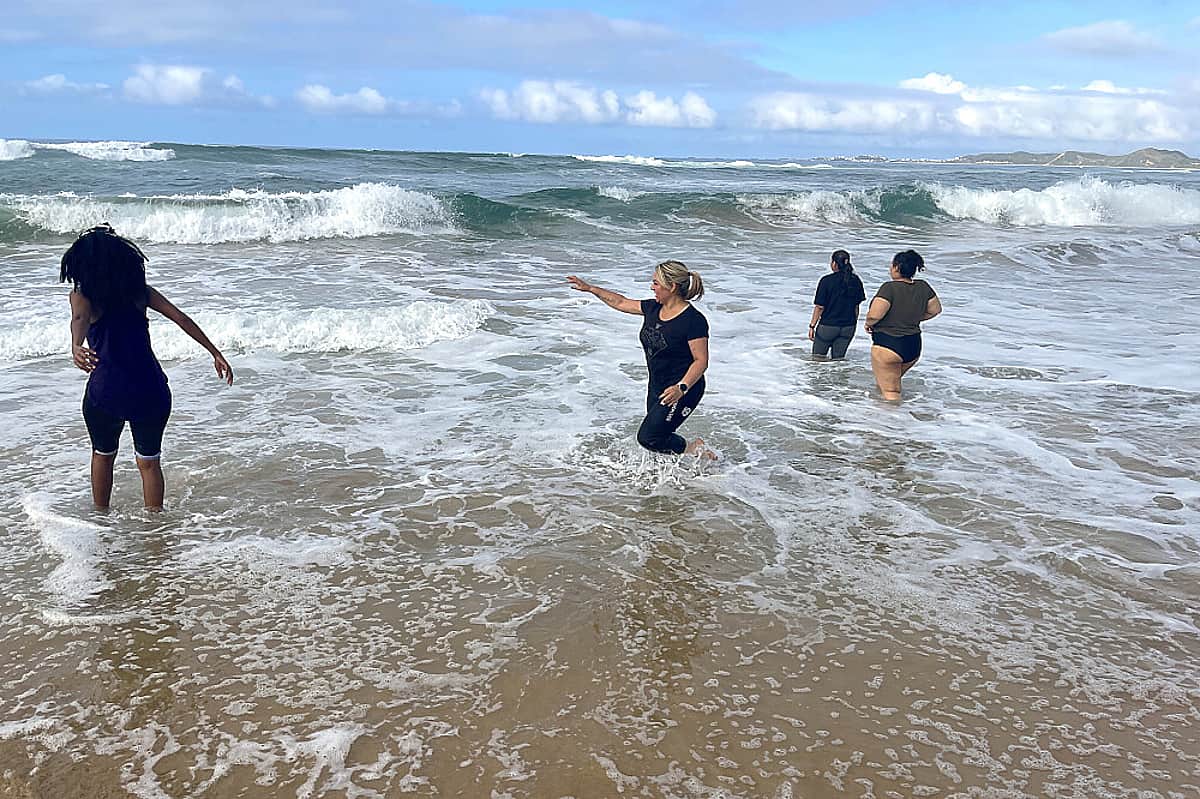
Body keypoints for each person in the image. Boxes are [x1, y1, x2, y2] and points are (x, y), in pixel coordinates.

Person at [61, 224, 233, 510]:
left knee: (103, 456)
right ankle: (155, 530)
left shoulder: (82, 297)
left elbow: (79, 319)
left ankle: (101, 518)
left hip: (105, 395)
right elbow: (181, 319)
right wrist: (215, 352)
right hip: (150, 391)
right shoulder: (140, 293)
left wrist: (76, 346)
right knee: (149, 464)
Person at [567, 260, 714, 458]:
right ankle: (671, 481)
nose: (652, 287)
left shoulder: (693, 320)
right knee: (657, 438)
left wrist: (682, 387)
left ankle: (694, 448)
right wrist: (591, 289)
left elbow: (701, 361)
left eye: (656, 283)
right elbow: (620, 302)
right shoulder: (653, 308)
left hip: (683, 388)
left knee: (649, 437)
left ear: (671, 286)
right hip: (657, 385)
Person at [864, 249, 942, 401]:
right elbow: (935, 310)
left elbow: (875, 314)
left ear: (897, 267)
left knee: (891, 391)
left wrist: (868, 323)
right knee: (887, 384)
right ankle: (886, 418)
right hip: (913, 345)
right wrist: (913, 319)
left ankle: (892, 423)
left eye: (892, 265)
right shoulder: (923, 286)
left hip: (889, 343)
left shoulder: (889, 288)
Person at [808, 249, 866, 360]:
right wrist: (853, 323)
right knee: (838, 362)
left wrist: (812, 326)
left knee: (817, 360)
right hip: (848, 327)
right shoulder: (855, 280)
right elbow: (856, 306)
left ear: (834, 263)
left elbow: (820, 307)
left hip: (828, 327)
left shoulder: (826, 281)